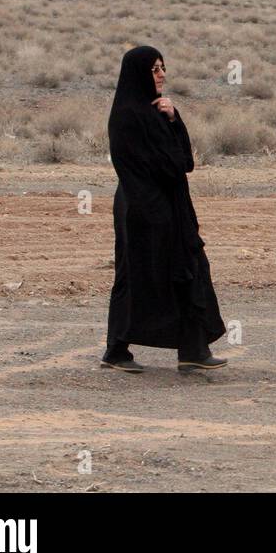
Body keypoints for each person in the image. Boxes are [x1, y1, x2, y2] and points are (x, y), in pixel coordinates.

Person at [102, 46, 227, 374]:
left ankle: (193, 349)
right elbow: (162, 165)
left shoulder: (158, 112)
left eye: (163, 67)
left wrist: (175, 119)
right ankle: (115, 351)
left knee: (189, 269)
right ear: (139, 73)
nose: (162, 74)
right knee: (133, 275)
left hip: (168, 206)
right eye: (155, 69)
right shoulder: (127, 116)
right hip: (141, 208)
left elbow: (184, 162)